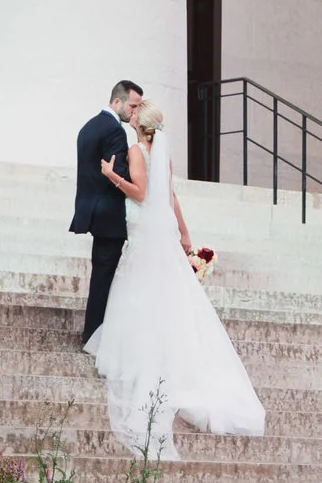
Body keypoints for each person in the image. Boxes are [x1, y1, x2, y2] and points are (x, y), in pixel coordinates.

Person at [85, 96, 266, 460]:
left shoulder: (137, 150)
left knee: (137, 283)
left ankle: (138, 347)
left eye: (135, 112)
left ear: (140, 123)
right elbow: (170, 196)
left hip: (144, 226)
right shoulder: (162, 154)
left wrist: (112, 176)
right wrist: (184, 232)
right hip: (164, 225)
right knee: (165, 286)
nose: (131, 115)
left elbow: (139, 193)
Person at [70, 80, 140, 344]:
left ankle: (94, 333)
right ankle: (94, 336)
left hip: (93, 211)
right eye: (132, 106)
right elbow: (118, 174)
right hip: (109, 216)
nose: (134, 112)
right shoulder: (115, 131)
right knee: (104, 278)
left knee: (101, 276)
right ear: (117, 101)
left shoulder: (88, 126)